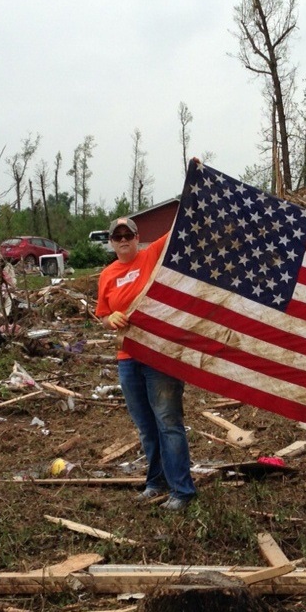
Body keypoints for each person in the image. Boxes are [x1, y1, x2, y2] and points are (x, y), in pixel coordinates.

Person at [95, 216, 197, 511]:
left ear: (138, 238)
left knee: (168, 422)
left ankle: (182, 490)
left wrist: (195, 180)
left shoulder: (151, 256)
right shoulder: (107, 275)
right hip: (127, 358)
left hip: (159, 354)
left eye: (129, 234)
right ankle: (156, 482)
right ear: (111, 242)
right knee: (146, 426)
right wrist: (108, 318)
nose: (124, 240)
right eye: (118, 236)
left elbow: (178, 227)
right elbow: (102, 314)